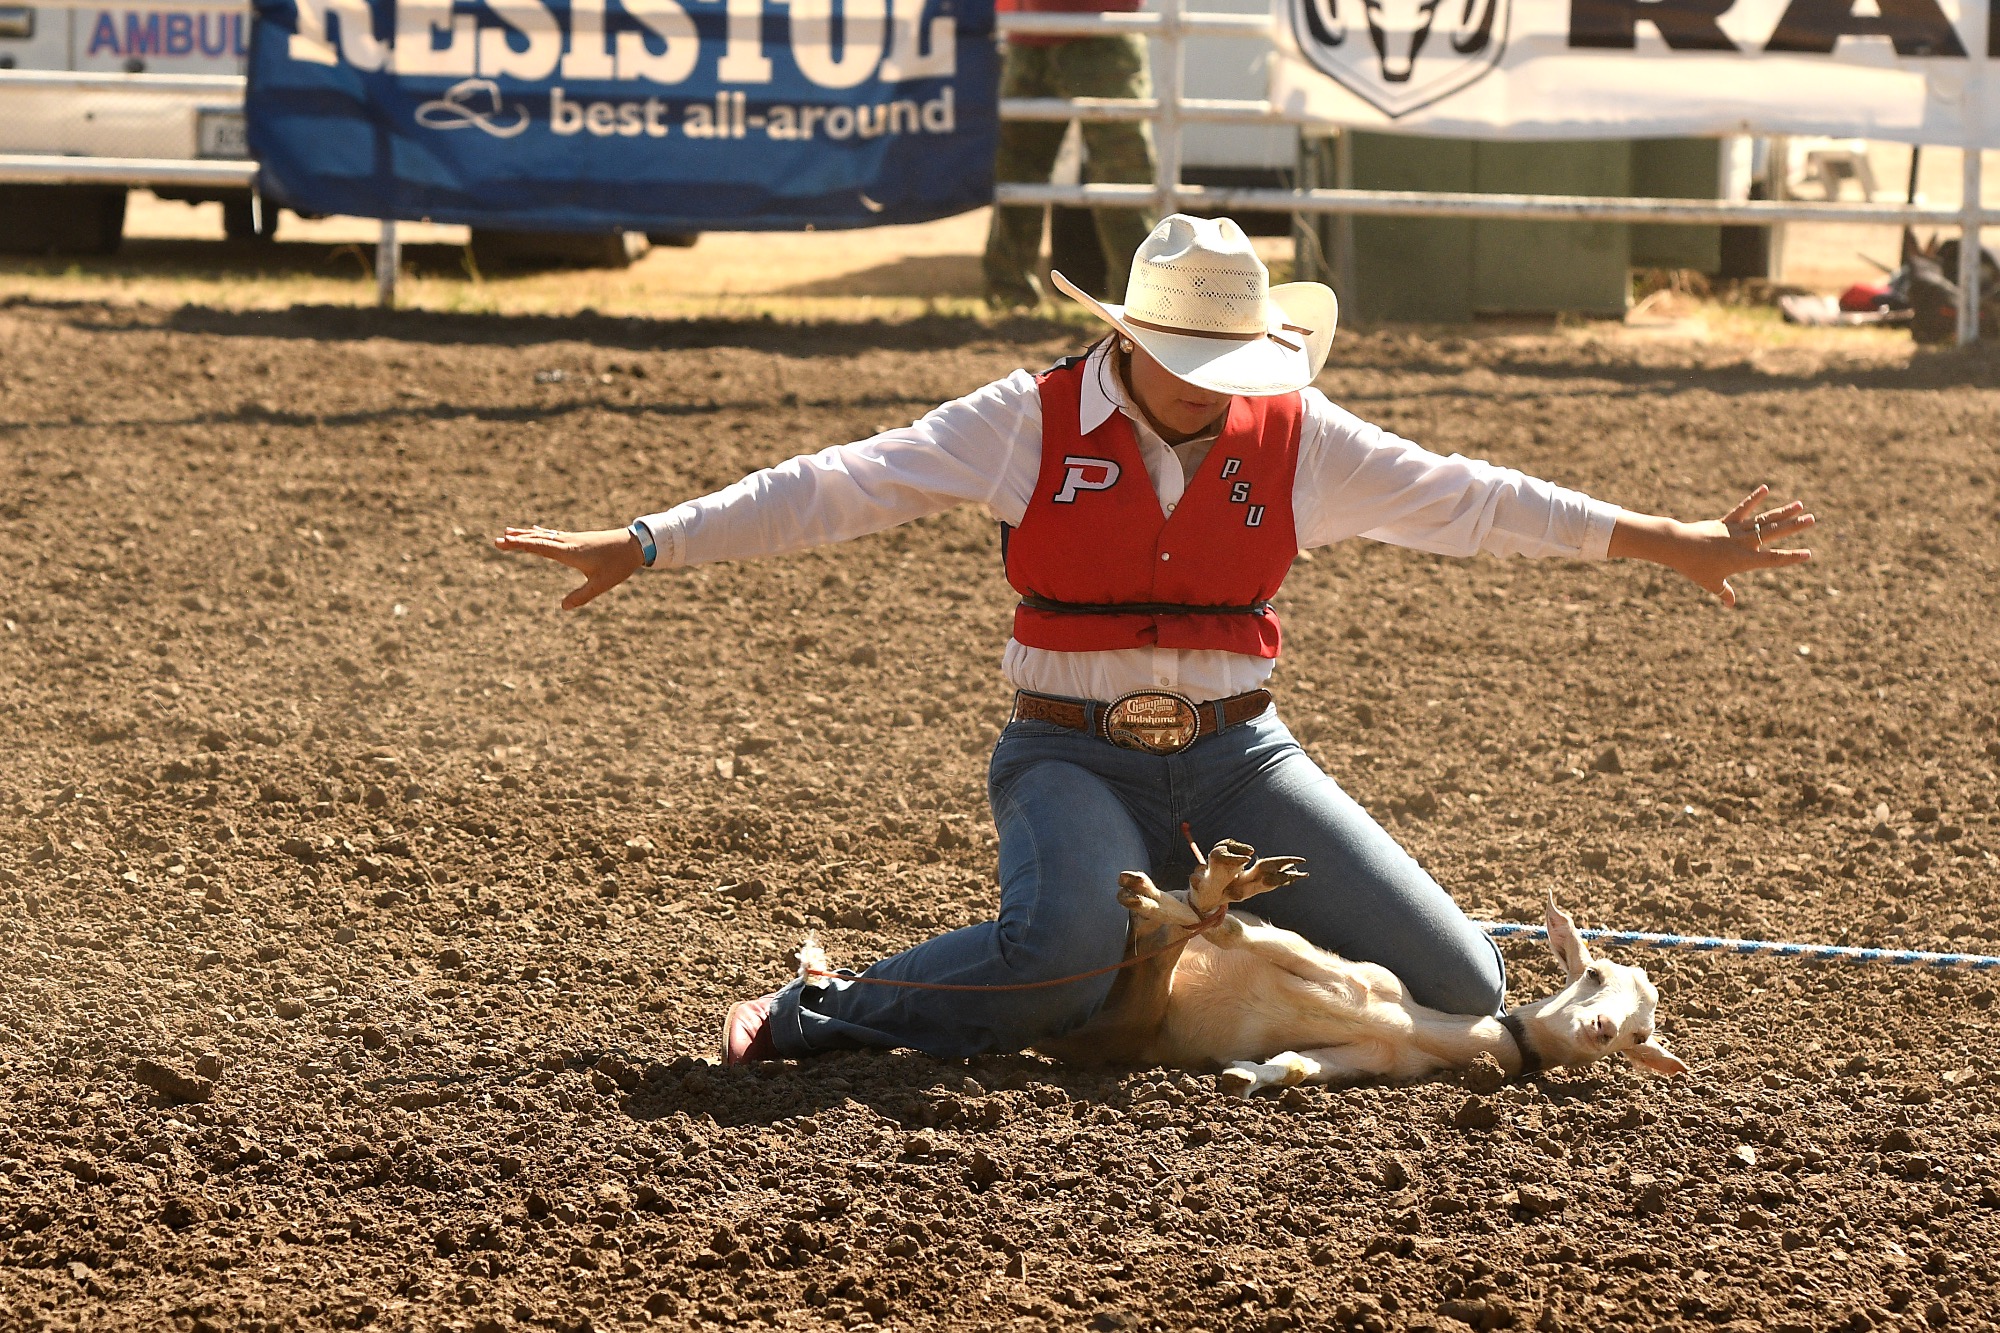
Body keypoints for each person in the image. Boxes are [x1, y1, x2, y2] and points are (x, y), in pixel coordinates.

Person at [496, 214, 1815, 1067]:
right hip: (1069, 757)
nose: (1219, 382)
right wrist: (651, 538)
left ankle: (1158, 974)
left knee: (1466, 982)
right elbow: (841, 482)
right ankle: (811, 1013)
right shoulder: (1024, 419)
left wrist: (1674, 540)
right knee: (1056, 961)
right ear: (1129, 338)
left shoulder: (1302, 436)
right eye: (1193, 354)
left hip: (1245, 760)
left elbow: (1478, 500)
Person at [982, 0, 1157, 309]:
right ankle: (1010, 298)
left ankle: (1143, 308)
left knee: (1123, 178)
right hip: (1031, 33)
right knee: (1015, 174)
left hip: (1102, 30)